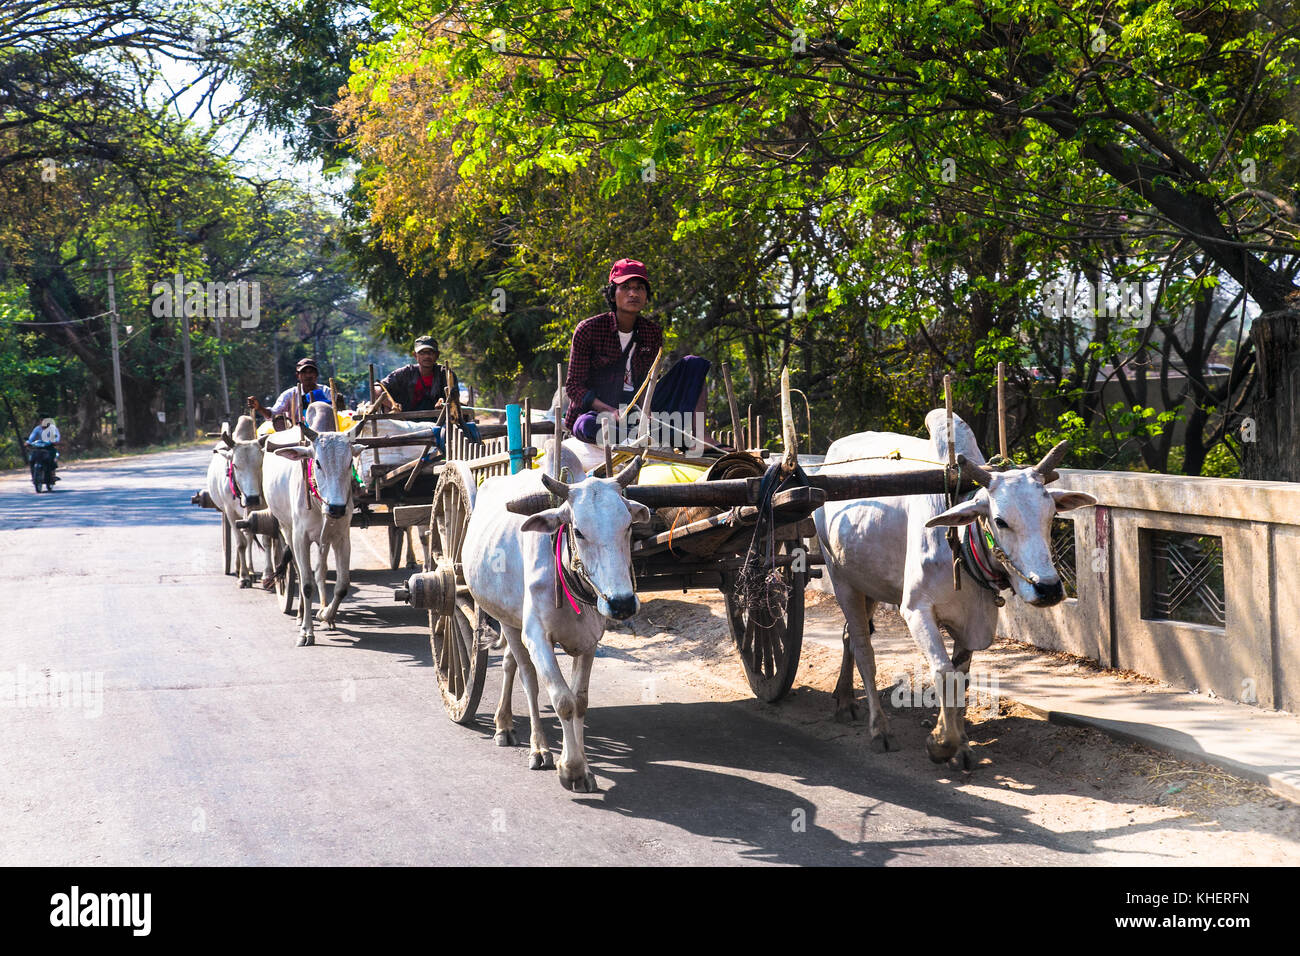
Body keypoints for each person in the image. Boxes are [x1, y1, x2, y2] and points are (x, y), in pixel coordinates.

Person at [564, 259, 712, 450]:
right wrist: (610, 411)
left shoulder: (652, 333)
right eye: (625, 287)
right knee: (587, 425)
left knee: (694, 364)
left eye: (640, 288)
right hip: (600, 414)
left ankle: (701, 437)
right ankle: (644, 440)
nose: (633, 293)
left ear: (646, 295)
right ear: (612, 294)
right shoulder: (589, 329)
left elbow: (648, 382)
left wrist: (647, 414)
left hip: (638, 414)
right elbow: (573, 387)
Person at [373, 335, 481, 449]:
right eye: (422, 353)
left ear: (437, 355)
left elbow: (455, 402)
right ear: (415, 355)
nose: (427, 356)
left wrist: (445, 405)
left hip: (439, 430)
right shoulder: (404, 373)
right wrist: (392, 405)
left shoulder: (446, 374)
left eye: (430, 352)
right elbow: (376, 388)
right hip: (406, 428)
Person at [247, 357, 333, 430]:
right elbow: (273, 413)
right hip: (296, 433)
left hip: (324, 432)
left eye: (311, 372)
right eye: (304, 372)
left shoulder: (327, 391)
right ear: (297, 376)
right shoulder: (289, 394)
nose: (308, 375)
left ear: (316, 374)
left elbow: (337, 414)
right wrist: (259, 408)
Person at [24, 417, 61, 483]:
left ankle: (52, 475)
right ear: (40, 421)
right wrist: (28, 442)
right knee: (32, 459)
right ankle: (34, 476)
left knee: (52, 460)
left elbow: (57, 437)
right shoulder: (37, 429)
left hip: (49, 447)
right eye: (42, 420)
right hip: (38, 448)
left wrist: (55, 441)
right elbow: (31, 438)